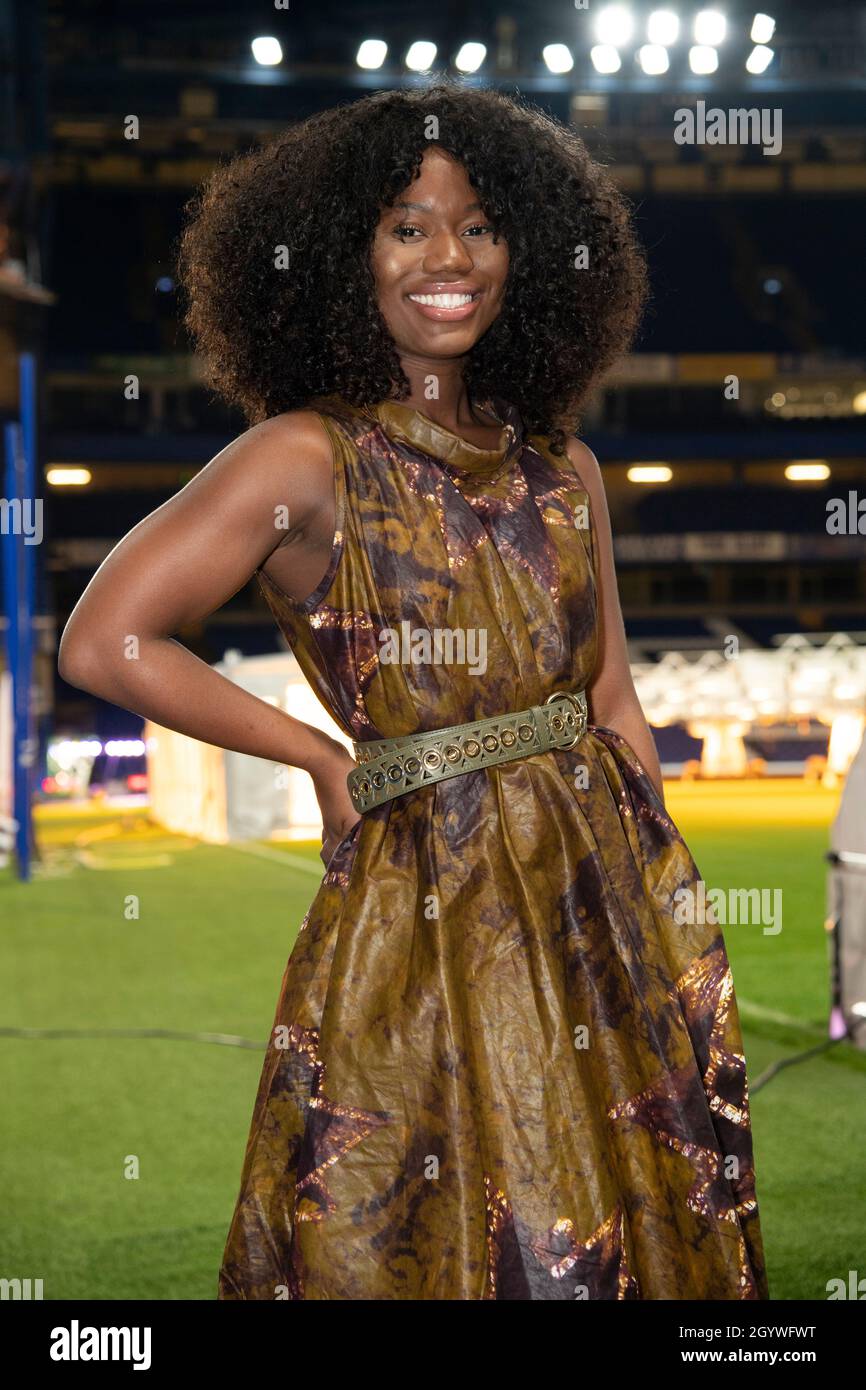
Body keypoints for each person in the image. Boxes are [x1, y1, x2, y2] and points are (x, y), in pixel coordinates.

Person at [58, 81, 769, 1300]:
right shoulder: (305, 457)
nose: (450, 256)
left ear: (523, 250)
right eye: (406, 225)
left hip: (594, 897)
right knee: (434, 1217)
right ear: (346, 255)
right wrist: (322, 759)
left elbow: (609, 703)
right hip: (423, 900)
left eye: (479, 224)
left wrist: (662, 908)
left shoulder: (569, 467)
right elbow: (107, 641)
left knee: (630, 1211)